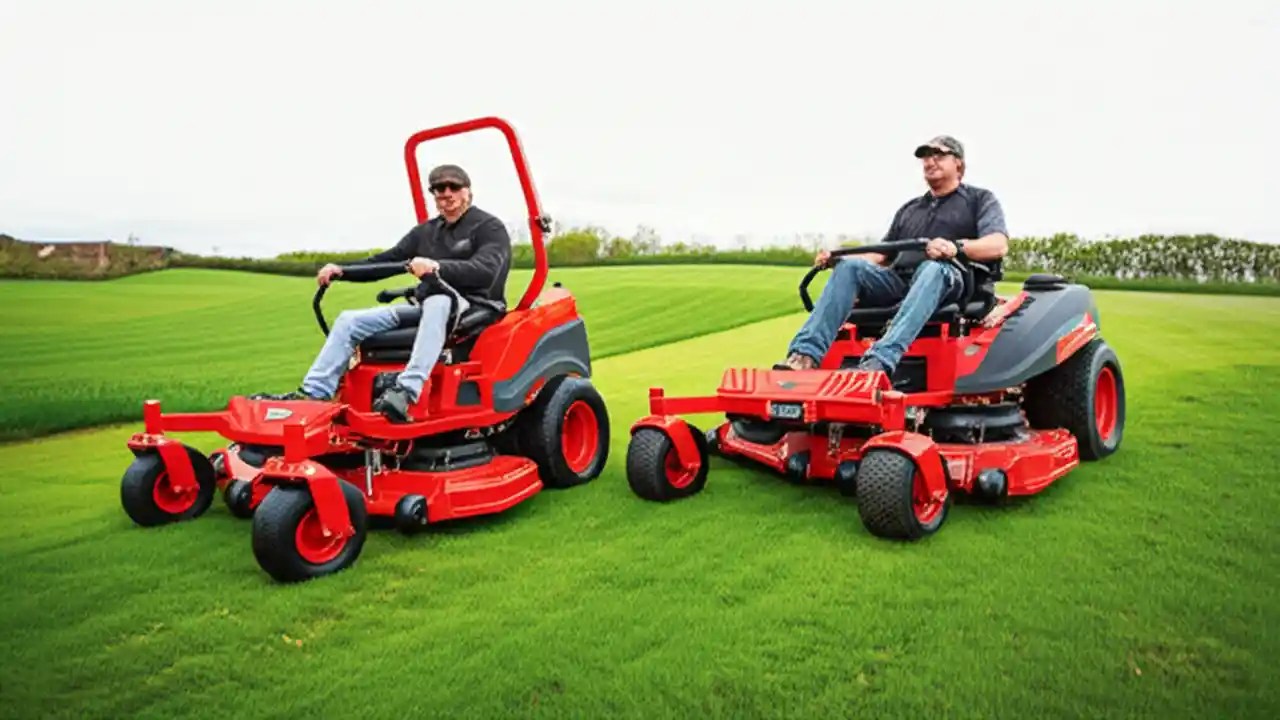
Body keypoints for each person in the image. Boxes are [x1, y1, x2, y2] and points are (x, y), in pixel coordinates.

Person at [252, 164, 512, 422]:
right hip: (429, 307)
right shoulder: (426, 233)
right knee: (349, 321)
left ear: (468, 191)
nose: (447, 194)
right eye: (439, 189)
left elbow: (486, 270)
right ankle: (314, 394)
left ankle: (406, 392)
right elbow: (386, 260)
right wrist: (343, 270)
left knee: (438, 299)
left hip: (476, 305)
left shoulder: (488, 227)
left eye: (454, 187)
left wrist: (437, 267)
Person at [778, 135, 1010, 376]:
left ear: (959, 164)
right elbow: (882, 254)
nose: (930, 162)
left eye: (939, 156)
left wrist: (957, 248)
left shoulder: (979, 200)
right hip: (902, 283)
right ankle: (804, 355)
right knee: (850, 268)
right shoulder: (910, 210)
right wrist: (839, 260)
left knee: (932, 269)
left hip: (952, 280)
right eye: (926, 158)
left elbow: (998, 244)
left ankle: (879, 361)